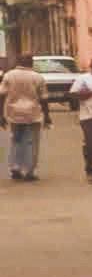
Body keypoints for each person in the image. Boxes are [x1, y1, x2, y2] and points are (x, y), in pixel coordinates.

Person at [2, 54, 47, 182]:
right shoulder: (37, 77)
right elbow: (43, 98)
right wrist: (47, 116)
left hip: (14, 113)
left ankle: (15, 168)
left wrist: (1, 115)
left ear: (18, 61)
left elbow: (1, 95)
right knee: (32, 142)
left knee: (16, 140)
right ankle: (29, 171)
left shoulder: (9, 75)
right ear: (31, 63)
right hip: (33, 113)